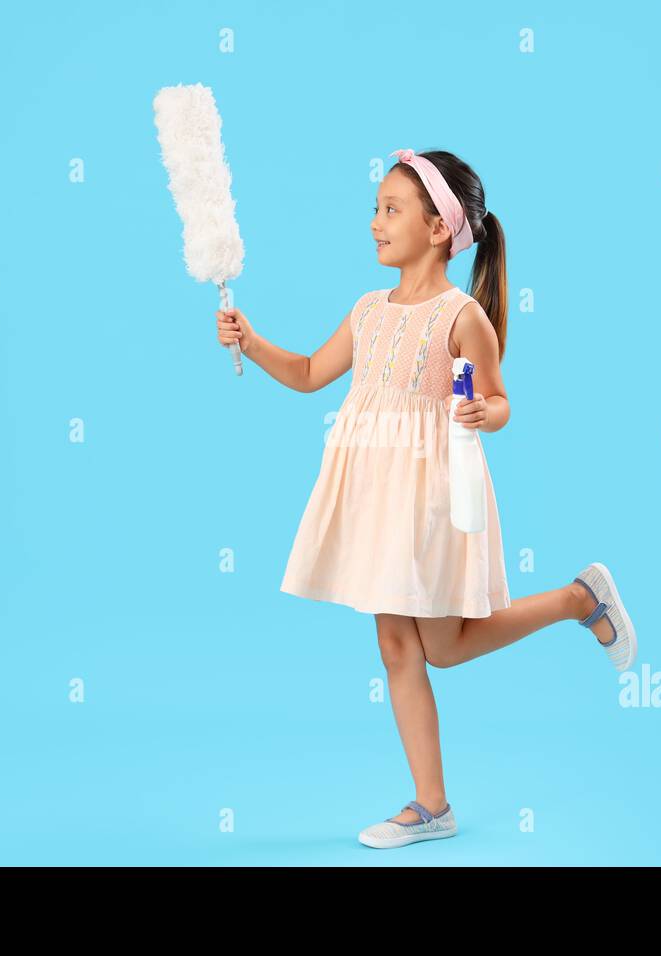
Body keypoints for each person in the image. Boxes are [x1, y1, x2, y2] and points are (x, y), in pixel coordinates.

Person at [214, 148, 637, 849]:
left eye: (391, 208)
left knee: (439, 648)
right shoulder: (367, 309)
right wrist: (253, 343)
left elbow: (494, 399)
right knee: (397, 645)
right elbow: (314, 372)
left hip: (431, 496)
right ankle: (431, 805)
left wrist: (482, 414)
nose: (375, 222)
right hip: (374, 492)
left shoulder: (459, 316)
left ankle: (574, 599)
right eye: (375, 208)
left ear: (439, 228)